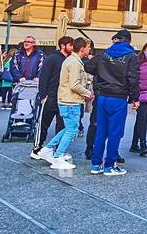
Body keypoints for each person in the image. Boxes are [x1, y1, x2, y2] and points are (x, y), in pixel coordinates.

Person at [87, 30, 139, 176]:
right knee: (115, 132)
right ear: (129, 41)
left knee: (101, 131)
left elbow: (88, 66)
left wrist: (101, 73)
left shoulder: (104, 53)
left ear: (117, 40)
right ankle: (110, 165)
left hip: (102, 96)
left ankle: (96, 164)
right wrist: (135, 98)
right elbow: (133, 79)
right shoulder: (131, 56)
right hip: (118, 97)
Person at [36, 37, 92, 170]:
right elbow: (74, 84)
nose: (90, 49)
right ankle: (58, 157)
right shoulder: (74, 62)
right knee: (72, 130)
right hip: (70, 100)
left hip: (67, 99)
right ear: (82, 48)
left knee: (68, 128)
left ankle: (48, 149)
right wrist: (88, 93)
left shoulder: (72, 60)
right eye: (88, 47)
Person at [30, 37, 72, 160]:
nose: (72, 47)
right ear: (63, 46)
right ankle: (36, 149)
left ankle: (58, 151)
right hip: (50, 96)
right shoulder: (52, 58)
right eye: (70, 45)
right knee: (44, 123)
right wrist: (43, 95)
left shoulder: (69, 59)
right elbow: (44, 77)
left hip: (63, 97)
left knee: (61, 124)